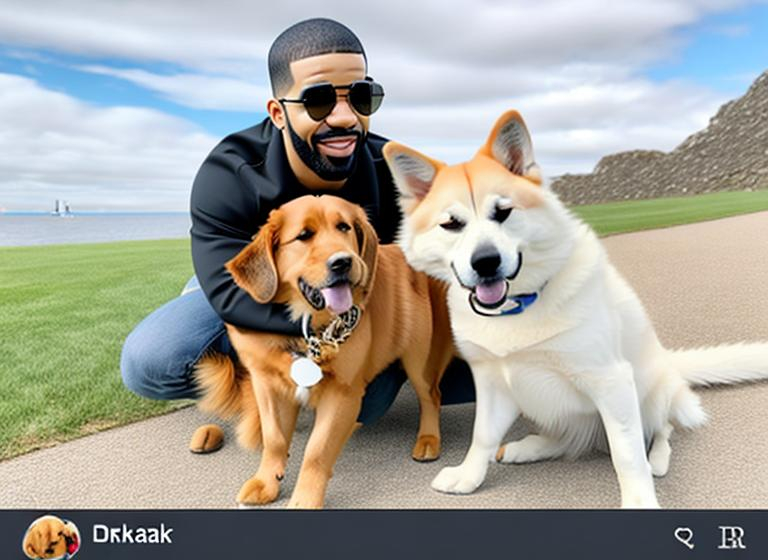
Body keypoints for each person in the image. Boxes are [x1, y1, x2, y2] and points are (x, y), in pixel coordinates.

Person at [120, 18, 474, 451]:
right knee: (151, 360)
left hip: (352, 303)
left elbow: (449, 260)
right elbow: (230, 295)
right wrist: (304, 351)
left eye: (361, 96)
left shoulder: (393, 169)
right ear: (278, 112)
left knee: (372, 401)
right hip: (250, 284)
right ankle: (260, 385)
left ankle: (287, 386)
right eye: (319, 100)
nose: (345, 117)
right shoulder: (228, 173)